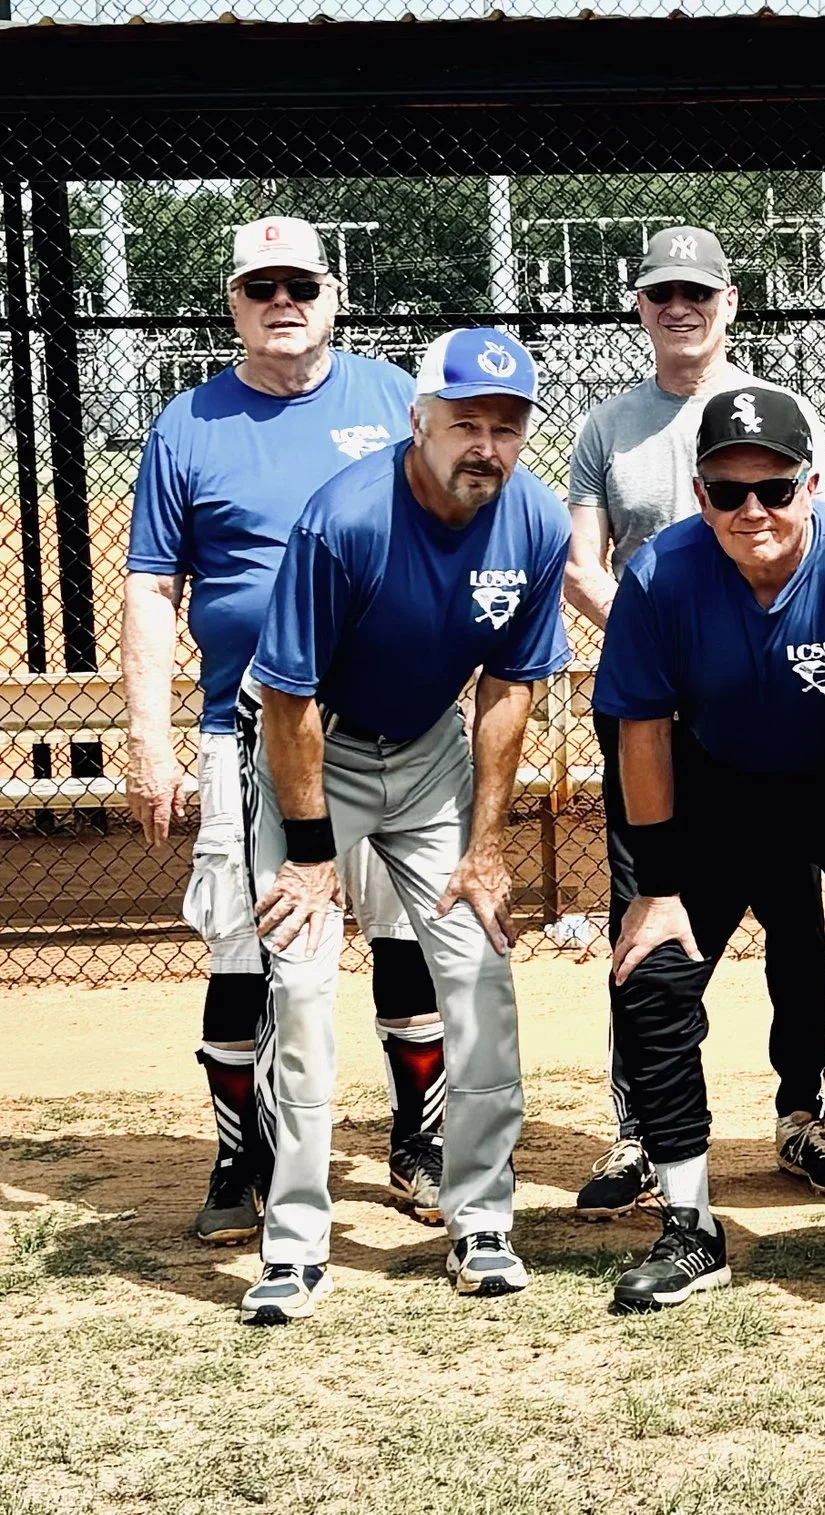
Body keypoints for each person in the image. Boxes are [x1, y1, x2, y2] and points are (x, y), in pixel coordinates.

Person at [234, 328, 571, 1324]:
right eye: (465, 422)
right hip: (316, 749)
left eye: (506, 427)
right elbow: (288, 701)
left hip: (429, 754)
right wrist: (308, 860)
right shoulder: (346, 520)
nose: (487, 445)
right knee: (299, 989)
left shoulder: (536, 521)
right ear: (417, 421)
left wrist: (485, 844)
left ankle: (481, 1222)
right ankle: (294, 1241)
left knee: (478, 974)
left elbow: (510, 688)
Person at [120, 214, 445, 1246]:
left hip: (387, 724)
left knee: (404, 935)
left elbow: (450, 532)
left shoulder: (395, 403)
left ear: (332, 295)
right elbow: (149, 586)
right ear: (234, 305)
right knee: (240, 945)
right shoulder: (189, 424)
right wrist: (150, 739)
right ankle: (239, 1155)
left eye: (299, 285)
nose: (282, 304)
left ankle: (419, 1137)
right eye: (260, 288)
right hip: (244, 728)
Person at [595, 387, 825, 1311]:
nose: (753, 510)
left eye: (776, 488)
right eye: (727, 489)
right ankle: (689, 1223)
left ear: (813, 485)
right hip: (718, 787)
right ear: (698, 492)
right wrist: (656, 885)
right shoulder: (662, 575)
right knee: (655, 973)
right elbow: (640, 728)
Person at [561, 225, 825, 1220]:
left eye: (697, 292)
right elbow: (582, 561)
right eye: (660, 294)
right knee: (646, 910)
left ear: (730, 300)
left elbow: (814, 541)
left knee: (792, 913)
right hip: (654, 711)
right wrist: (662, 650)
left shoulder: (782, 409)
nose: (678, 307)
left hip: (770, 702)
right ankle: (640, 1128)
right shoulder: (610, 426)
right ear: (639, 307)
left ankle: (803, 1109)